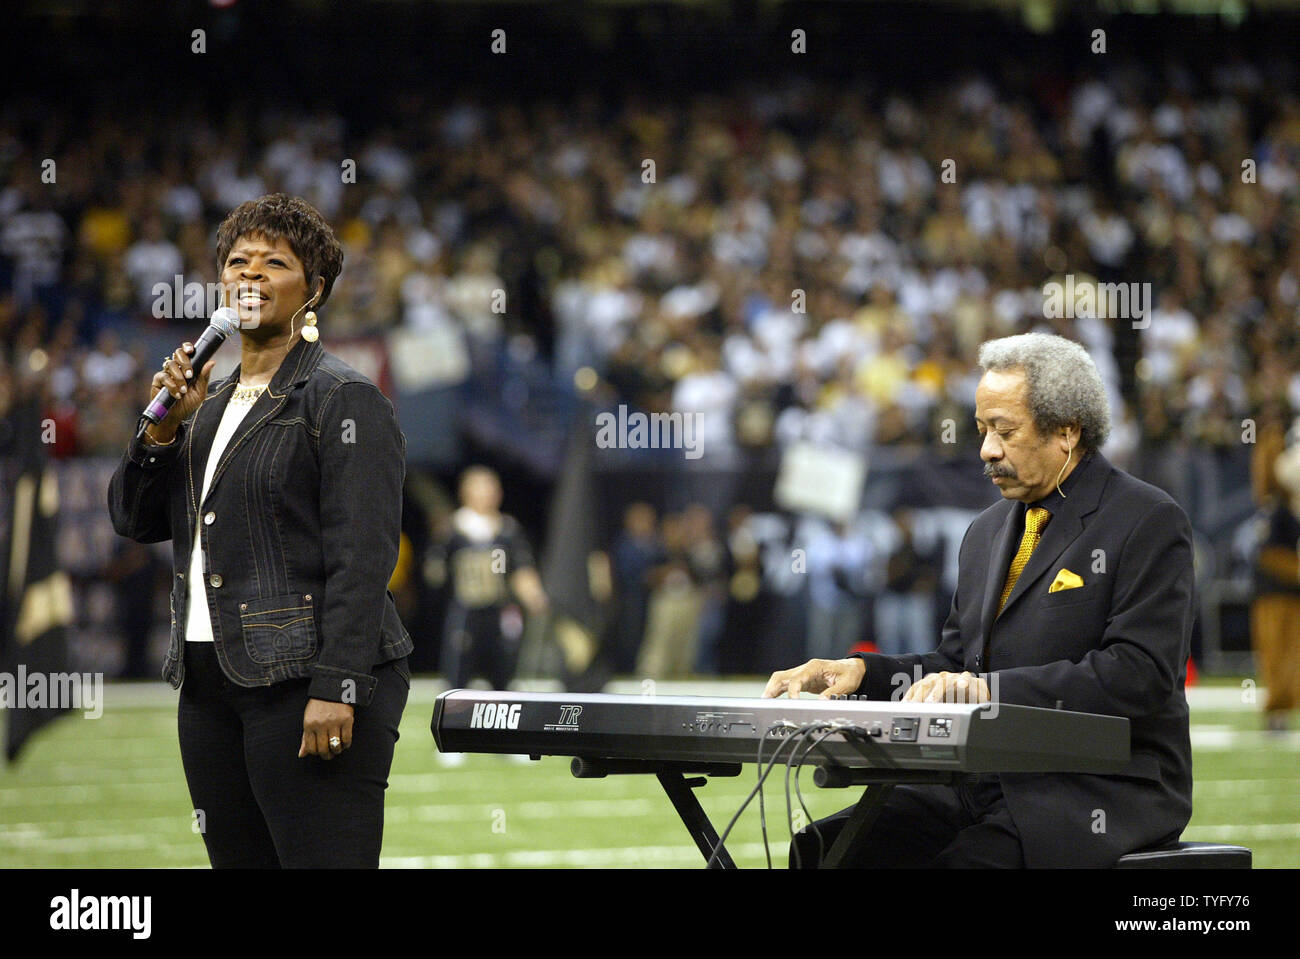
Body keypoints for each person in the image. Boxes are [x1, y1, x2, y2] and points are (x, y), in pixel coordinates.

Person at [764, 333, 1194, 868]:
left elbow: (1139, 674)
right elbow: (955, 665)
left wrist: (987, 690)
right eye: (983, 429)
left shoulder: (1147, 519)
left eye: (1005, 431)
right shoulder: (986, 531)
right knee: (823, 853)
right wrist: (861, 673)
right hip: (982, 777)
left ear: (1067, 431)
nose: (987, 449)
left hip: (1094, 786)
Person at [108, 193, 413, 868]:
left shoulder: (341, 396)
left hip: (304, 677)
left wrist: (338, 683)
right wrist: (159, 430)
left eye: (274, 262)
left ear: (315, 289)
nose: (249, 274)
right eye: (238, 261)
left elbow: (363, 556)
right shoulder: (205, 404)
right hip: (209, 682)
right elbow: (132, 517)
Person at [430, 466, 548, 692]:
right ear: (465, 492)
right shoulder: (452, 530)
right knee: (458, 674)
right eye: (480, 488)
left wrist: (534, 595)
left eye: (491, 488)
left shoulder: (508, 530)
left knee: (503, 672)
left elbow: (521, 568)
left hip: (499, 609)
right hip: (465, 611)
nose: (487, 494)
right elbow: (436, 574)